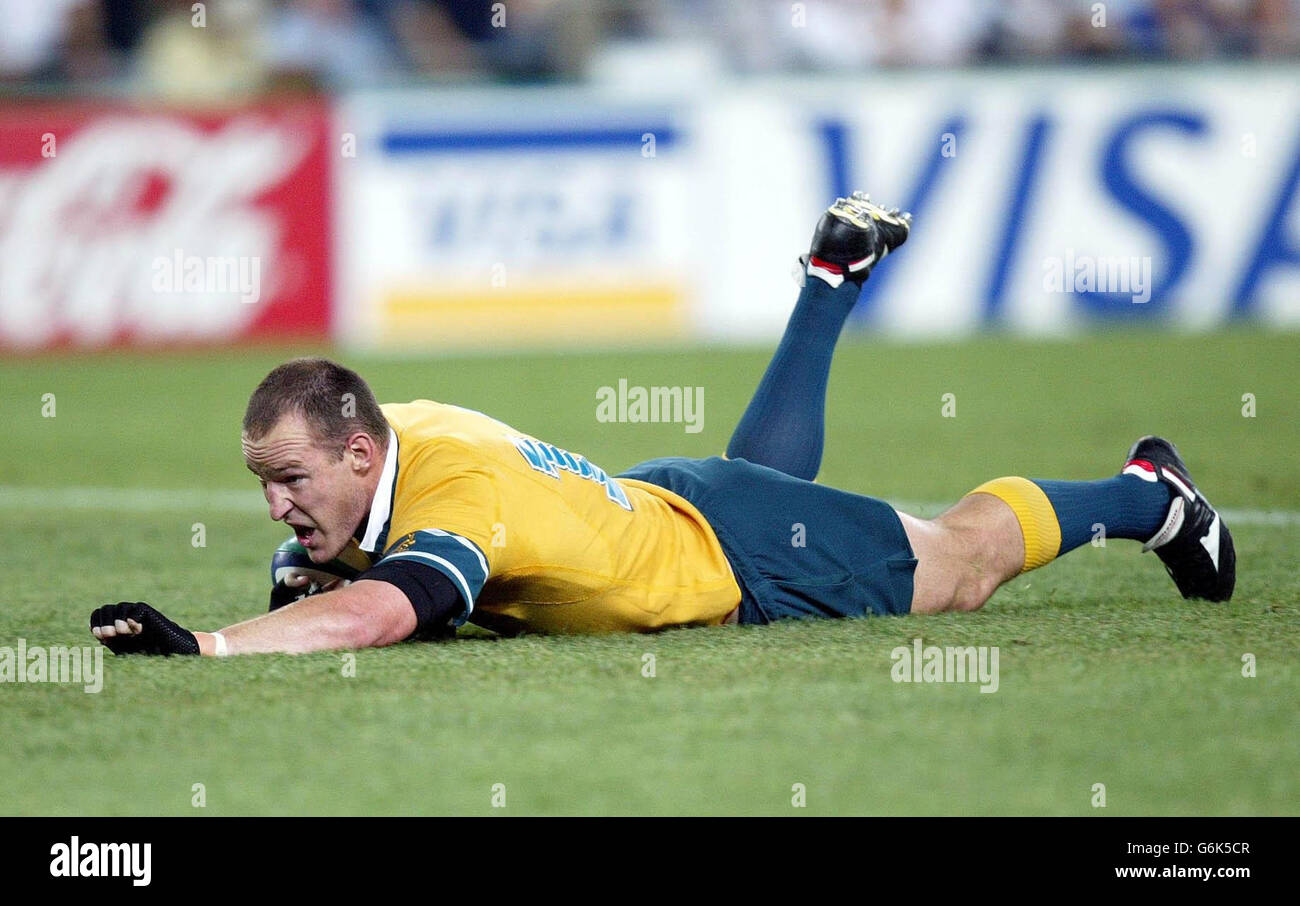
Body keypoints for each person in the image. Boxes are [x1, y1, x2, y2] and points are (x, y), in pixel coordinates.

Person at [88, 192, 1235, 656]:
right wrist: (309, 555)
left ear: (357, 451)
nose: (277, 506)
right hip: (673, 504)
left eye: (289, 477)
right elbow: (383, 568)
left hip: (728, 553)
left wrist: (213, 644)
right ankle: (829, 284)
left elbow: (385, 616)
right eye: (262, 485)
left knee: (967, 562)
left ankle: (1149, 494)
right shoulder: (402, 437)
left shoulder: (454, 497)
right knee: (758, 481)